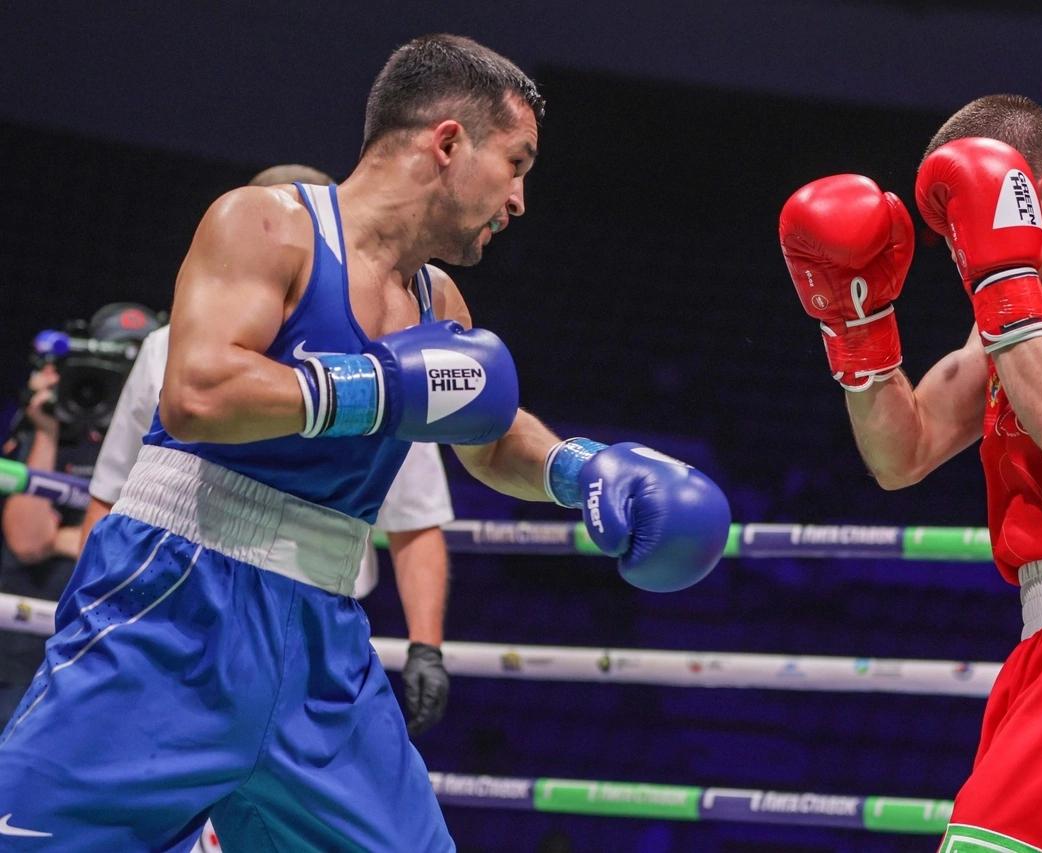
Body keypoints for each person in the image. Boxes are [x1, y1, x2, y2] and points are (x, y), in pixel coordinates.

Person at [0, 33, 730, 852]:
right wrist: (379, 385)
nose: (520, 199)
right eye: (517, 164)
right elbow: (201, 391)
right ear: (448, 142)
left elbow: (485, 433)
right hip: (174, 606)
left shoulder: (436, 297)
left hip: (321, 644)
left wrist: (580, 468)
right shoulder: (266, 225)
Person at [780, 94, 1042, 852]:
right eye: (951, 233)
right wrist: (856, 329)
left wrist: (1002, 288)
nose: (958, 252)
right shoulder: (1007, 322)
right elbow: (900, 455)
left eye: (973, 222)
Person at [80, 164, 457, 736]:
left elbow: (417, 520)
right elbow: (110, 496)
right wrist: (92, 609)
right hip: (181, 593)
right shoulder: (165, 350)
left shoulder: (406, 351)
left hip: (320, 618)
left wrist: (426, 646)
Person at [0, 303, 161, 724]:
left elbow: (146, 553)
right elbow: (29, 542)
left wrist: (76, 538)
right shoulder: (52, 430)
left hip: (108, 648)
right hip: (22, 650)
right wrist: (46, 429)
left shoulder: (164, 443)